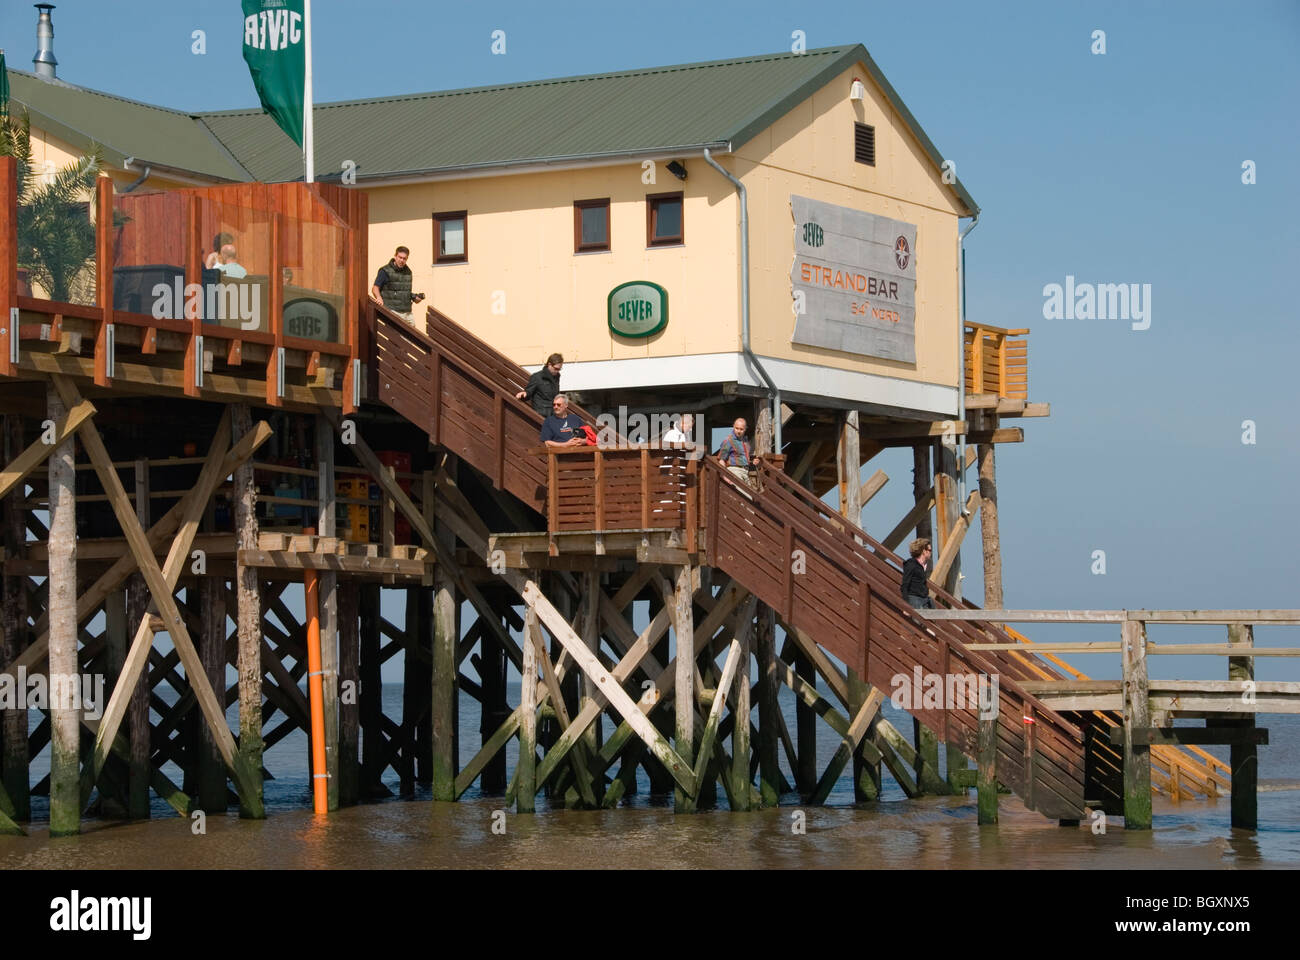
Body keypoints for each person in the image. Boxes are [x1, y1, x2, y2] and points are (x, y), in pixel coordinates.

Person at [370, 246, 425, 321]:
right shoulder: (385, 271)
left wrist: (415, 298)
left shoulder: (408, 272)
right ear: (395, 256)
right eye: (400, 257)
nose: (402, 260)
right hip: (392, 312)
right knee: (392, 333)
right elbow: (375, 288)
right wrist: (378, 298)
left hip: (407, 313)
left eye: (404, 258)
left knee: (412, 333)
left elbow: (403, 291)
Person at [717, 417, 753, 482]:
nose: (738, 431)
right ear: (733, 427)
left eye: (741, 429)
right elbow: (721, 460)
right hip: (734, 471)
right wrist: (725, 477)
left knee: (748, 492)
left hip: (746, 472)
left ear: (745, 429)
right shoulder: (728, 440)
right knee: (742, 492)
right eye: (737, 428)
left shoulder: (745, 442)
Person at [900, 538, 933, 609]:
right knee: (918, 620)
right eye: (930, 550)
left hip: (924, 600)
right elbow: (905, 584)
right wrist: (906, 606)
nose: (931, 552)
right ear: (924, 551)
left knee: (933, 618)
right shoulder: (911, 564)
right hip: (914, 599)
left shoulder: (923, 566)